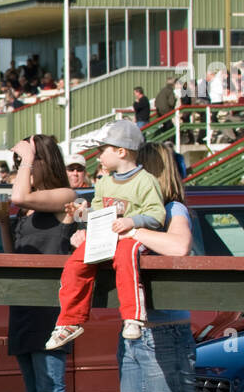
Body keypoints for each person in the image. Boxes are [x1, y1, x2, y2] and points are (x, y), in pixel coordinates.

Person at [102, 142, 220, 392]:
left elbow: (179, 247)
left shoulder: (174, 210)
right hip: (133, 332)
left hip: (165, 333)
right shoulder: (135, 209)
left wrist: (132, 228)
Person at [0, 135, 78, 392]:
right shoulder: (24, 211)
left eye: (25, 160)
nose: (18, 167)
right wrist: (0, 225)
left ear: (42, 160)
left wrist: (27, 156)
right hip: (24, 310)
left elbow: (21, 195)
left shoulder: (63, 197)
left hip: (51, 311)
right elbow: (14, 257)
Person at [46, 120, 165, 350]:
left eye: (102, 151)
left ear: (121, 151)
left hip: (133, 238)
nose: (98, 156)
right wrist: (83, 216)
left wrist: (132, 221)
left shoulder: (145, 181)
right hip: (105, 238)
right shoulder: (104, 183)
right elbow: (98, 214)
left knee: (125, 257)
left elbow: (156, 215)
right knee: (75, 263)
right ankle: (70, 321)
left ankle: (133, 317)